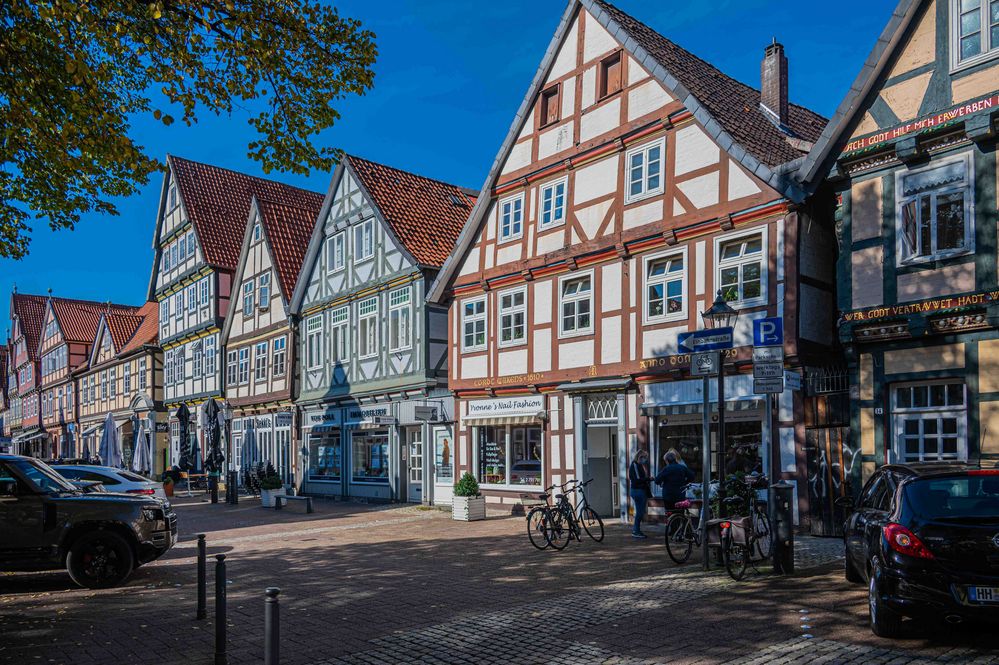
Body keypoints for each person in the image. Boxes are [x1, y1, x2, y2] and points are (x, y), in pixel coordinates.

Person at [628, 450, 653, 538]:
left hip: (639, 490)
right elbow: (637, 479)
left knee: (640, 512)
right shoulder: (635, 465)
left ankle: (636, 530)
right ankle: (636, 531)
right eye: (645, 458)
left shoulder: (639, 465)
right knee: (640, 512)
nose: (645, 460)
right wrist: (648, 479)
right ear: (640, 457)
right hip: (638, 490)